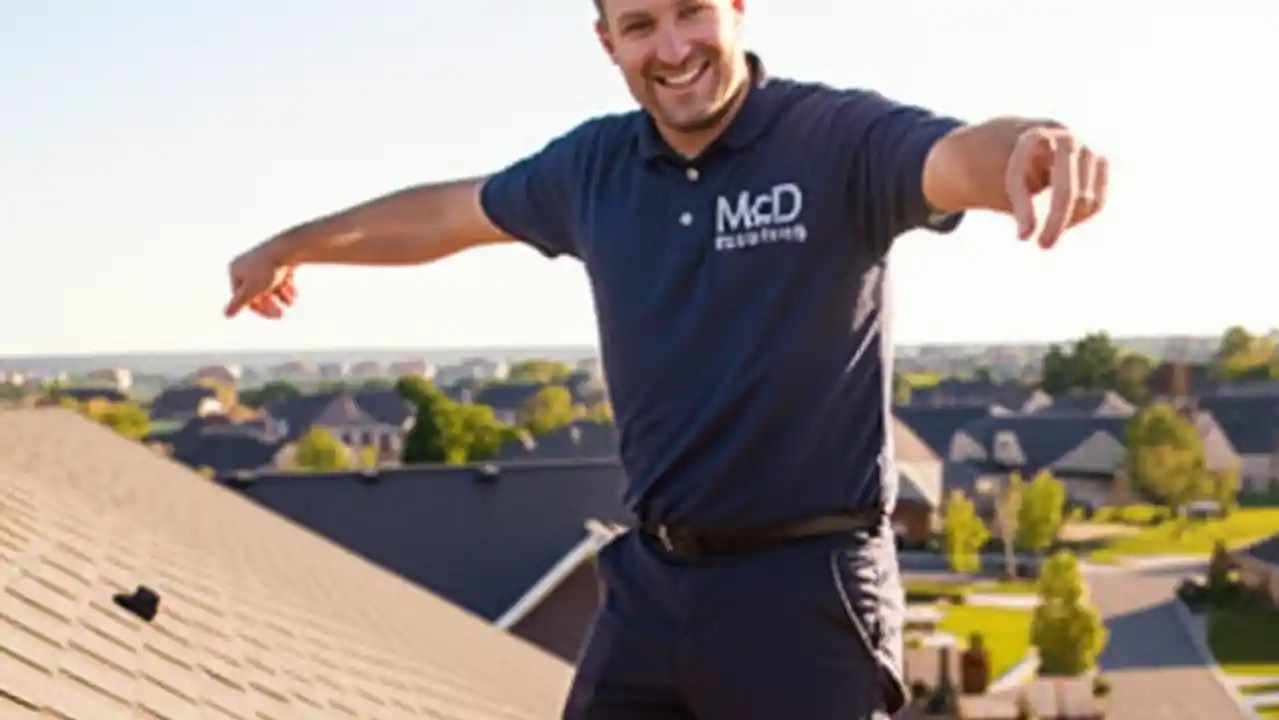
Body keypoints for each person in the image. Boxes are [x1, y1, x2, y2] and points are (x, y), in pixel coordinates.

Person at [224, 1, 1109, 717]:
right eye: (642, 24)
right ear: (605, 39)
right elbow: (448, 216)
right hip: (651, 585)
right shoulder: (592, 170)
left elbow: (956, 157)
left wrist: (1032, 145)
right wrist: (290, 245)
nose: (674, 47)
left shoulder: (834, 140)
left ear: (738, 10)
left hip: (807, 591)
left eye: (692, 13)